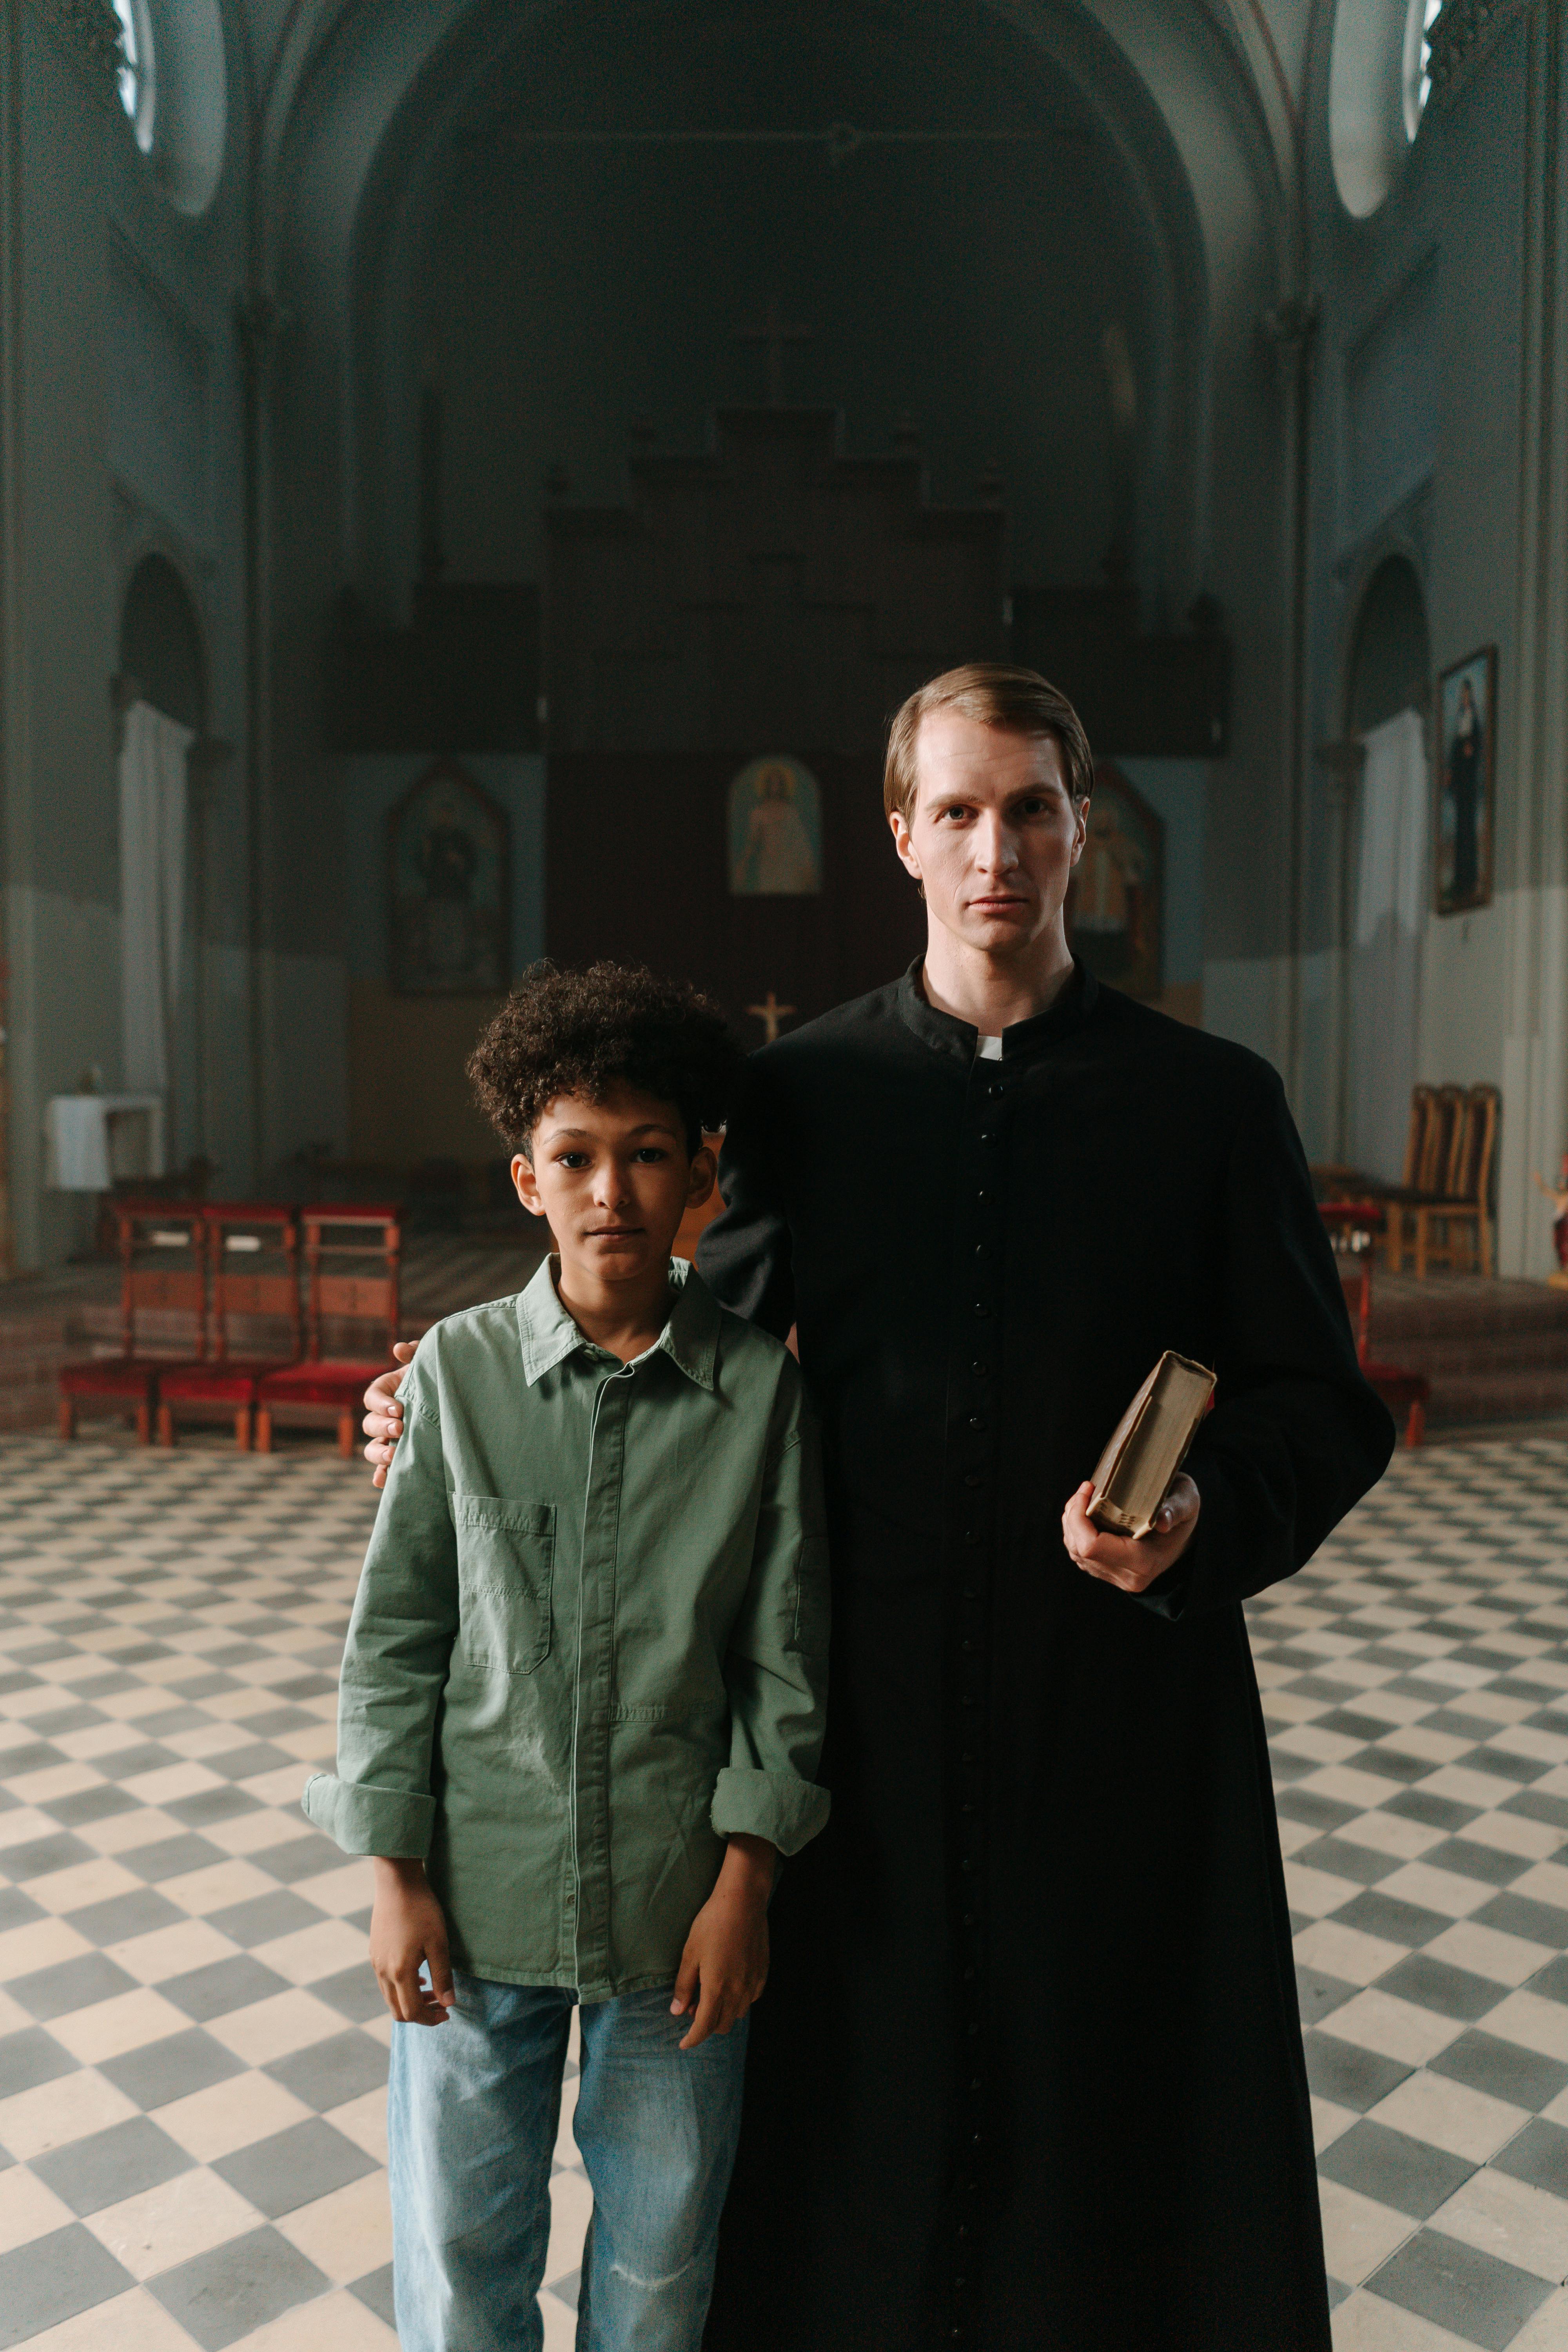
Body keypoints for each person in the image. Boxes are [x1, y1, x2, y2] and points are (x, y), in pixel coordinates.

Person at [366, 665, 1394, 2351]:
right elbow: (675, 1343)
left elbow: (1318, 1404)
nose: (1001, 849)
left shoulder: (1210, 1105)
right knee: (853, 2141)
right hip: (865, 1718)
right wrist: (461, 1389)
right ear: (902, 836)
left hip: (1119, 1719)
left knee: (1109, 2123)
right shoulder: (806, 1099)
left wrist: (1204, 1509)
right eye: (962, 813)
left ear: (1085, 827)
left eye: (1036, 808)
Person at [318, 962, 830, 2352]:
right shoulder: (458, 1380)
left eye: (648, 1155)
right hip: (476, 1905)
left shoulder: (761, 1396)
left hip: (677, 1918)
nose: (614, 1191)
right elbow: (396, 1643)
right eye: (577, 1157)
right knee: (463, 2248)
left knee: (663, 2261)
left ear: (699, 1175)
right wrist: (394, 1882)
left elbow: (784, 1665)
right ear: (525, 1179)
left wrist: (747, 1886)